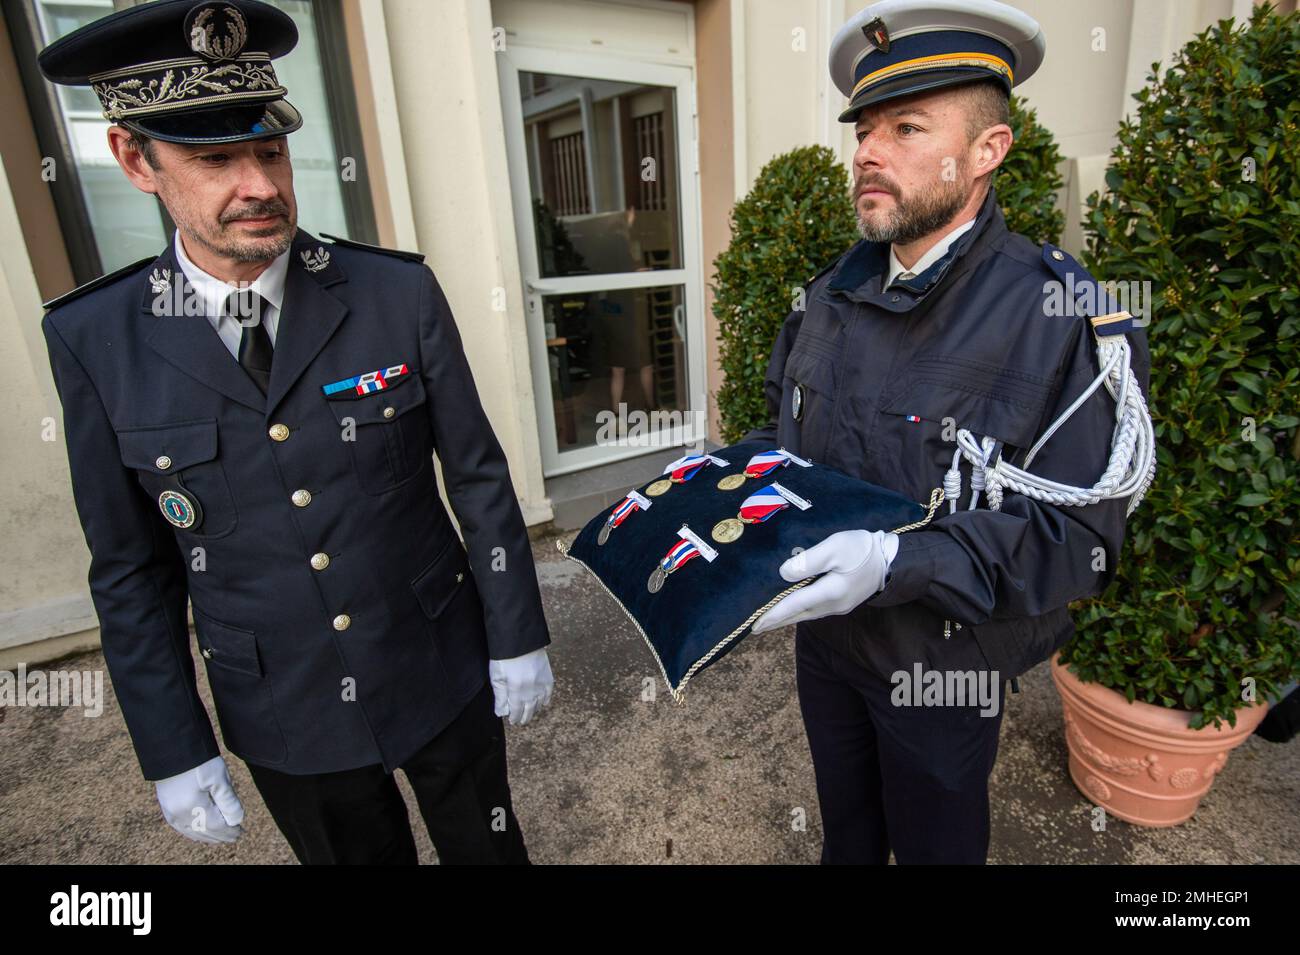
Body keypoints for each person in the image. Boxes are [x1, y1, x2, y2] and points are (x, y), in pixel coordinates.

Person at [37, 0, 553, 864]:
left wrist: (517, 630)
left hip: (435, 660)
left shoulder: (396, 292)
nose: (263, 186)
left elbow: (477, 475)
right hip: (283, 703)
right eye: (214, 158)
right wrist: (175, 743)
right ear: (135, 158)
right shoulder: (95, 338)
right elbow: (130, 569)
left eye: (270, 150)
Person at [747, 0, 1153, 864]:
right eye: (864, 127)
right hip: (826, 647)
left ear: (985, 153)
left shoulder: (1063, 315)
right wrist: (717, 479)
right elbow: (790, 439)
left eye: (905, 126)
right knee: (847, 840)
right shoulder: (827, 294)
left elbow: (1080, 539)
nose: (866, 149)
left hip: (942, 666)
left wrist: (900, 561)